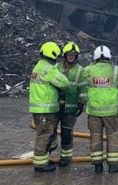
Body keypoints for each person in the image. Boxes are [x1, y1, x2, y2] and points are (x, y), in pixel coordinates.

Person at [81, 45, 118, 174]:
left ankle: (98, 166)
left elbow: (82, 90)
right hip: (111, 112)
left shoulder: (88, 70)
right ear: (109, 57)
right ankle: (113, 165)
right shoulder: (115, 71)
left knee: (95, 137)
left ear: (95, 57)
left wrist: (83, 103)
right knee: (113, 136)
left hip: (93, 112)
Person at [29, 41, 70, 172]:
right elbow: (64, 83)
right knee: (44, 134)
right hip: (45, 109)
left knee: (44, 133)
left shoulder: (38, 67)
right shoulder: (48, 69)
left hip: (37, 108)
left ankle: (43, 159)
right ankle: (40, 164)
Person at [49, 42, 84, 167]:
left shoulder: (80, 70)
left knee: (67, 133)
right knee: (50, 131)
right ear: (64, 55)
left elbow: (83, 88)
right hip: (55, 106)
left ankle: (66, 157)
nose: (71, 57)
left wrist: (81, 103)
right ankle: (50, 148)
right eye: (69, 55)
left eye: (73, 55)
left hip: (70, 108)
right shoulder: (56, 67)